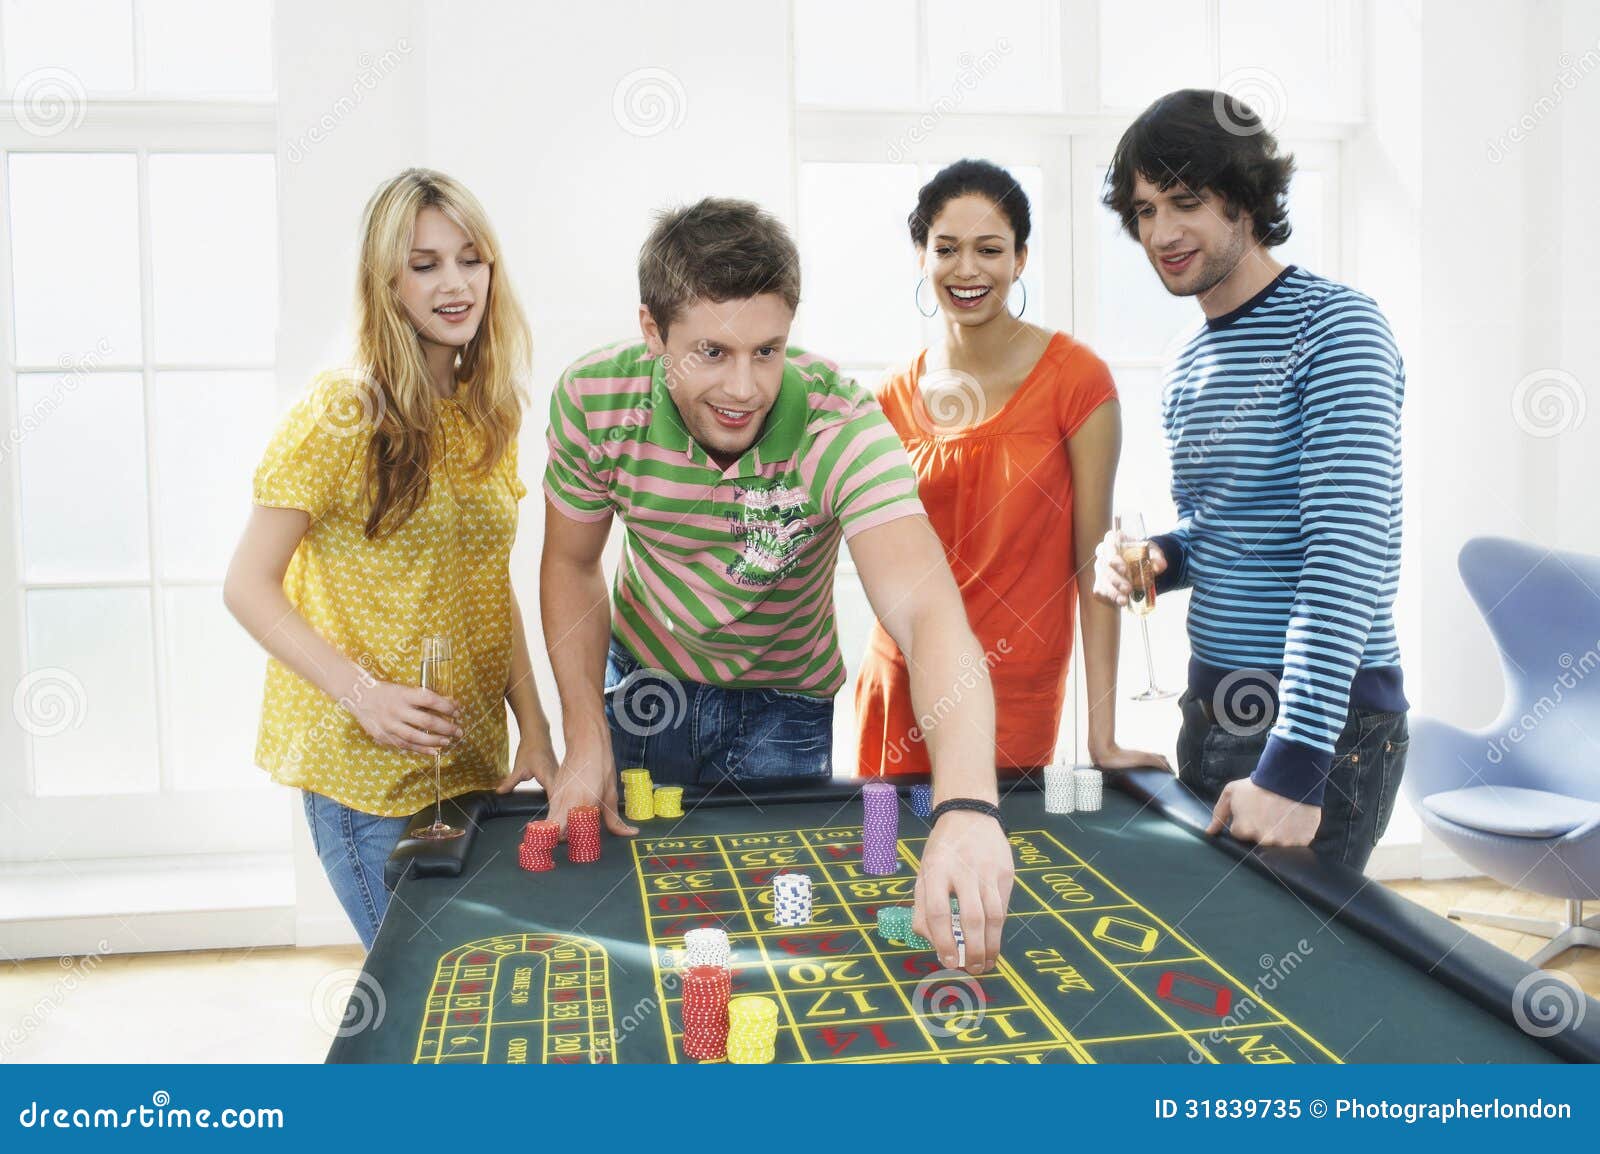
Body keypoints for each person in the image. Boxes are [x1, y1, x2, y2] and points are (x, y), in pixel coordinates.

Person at [539, 197, 1013, 974]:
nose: (745, 388)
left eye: (768, 351)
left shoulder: (841, 425)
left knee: (775, 943)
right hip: (644, 685)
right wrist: (584, 733)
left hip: (783, 705)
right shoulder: (594, 400)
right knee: (635, 931)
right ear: (653, 333)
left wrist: (965, 805)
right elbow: (571, 564)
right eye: (712, 353)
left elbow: (927, 612)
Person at [224, 169, 559, 947]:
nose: (456, 283)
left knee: (465, 1002)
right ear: (386, 281)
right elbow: (246, 585)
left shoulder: (487, 412)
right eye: (425, 263)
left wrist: (535, 729)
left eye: (471, 259)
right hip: (365, 782)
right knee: (415, 1005)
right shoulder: (342, 410)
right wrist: (365, 695)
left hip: (473, 763)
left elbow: (486, 585)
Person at [1093, 90, 1408, 871]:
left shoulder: (1338, 329)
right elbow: (1221, 529)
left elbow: (1344, 551)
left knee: (1299, 987)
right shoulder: (1185, 361)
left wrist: (1295, 769)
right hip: (1211, 709)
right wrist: (1162, 557)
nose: (1160, 233)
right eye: (1142, 210)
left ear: (1246, 199)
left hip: (1322, 730)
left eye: (1185, 202)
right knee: (1217, 969)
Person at [855, 159, 1167, 779]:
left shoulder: (1077, 381)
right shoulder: (888, 397)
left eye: (989, 249)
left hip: (1013, 692)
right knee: (882, 865)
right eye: (946, 248)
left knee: (989, 868)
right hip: (897, 682)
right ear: (922, 256)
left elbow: (1093, 565)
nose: (967, 269)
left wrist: (1102, 738)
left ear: (1020, 260)